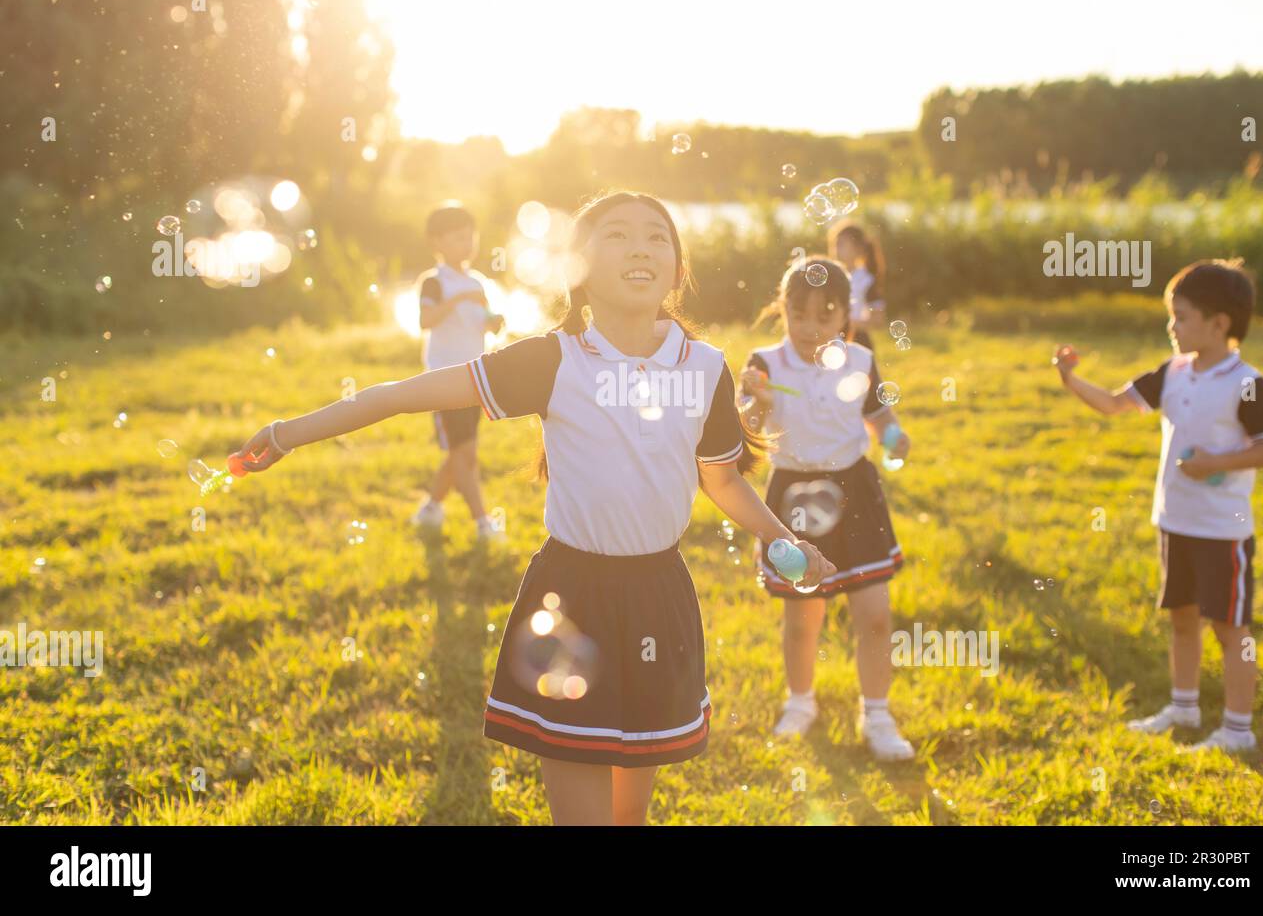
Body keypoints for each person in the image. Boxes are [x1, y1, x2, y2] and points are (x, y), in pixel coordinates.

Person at [232, 191, 835, 824]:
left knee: (631, 817)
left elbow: (723, 481)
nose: (639, 247)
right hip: (570, 599)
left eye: (657, 237)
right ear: (577, 268)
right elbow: (401, 394)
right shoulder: (552, 359)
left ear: (679, 270)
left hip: (661, 596)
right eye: (617, 235)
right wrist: (285, 433)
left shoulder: (705, 366)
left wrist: (778, 538)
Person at [1054, 259, 1263, 752]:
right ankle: (1183, 707)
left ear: (1219, 324)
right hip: (1175, 522)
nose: (1171, 326)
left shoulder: (1245, 380)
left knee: (1230, 630)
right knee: (1181, 616)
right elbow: (1117, 404)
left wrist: (1217, 461)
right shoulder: (1173, 373)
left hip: (1223, 531)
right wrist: (1072, 380)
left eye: (1180, 316)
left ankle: (1238, 730)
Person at [739, 255, 915, 760]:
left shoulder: (860, 360)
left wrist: (895, 438)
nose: (810, 328)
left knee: (875, 615)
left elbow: (880, 417)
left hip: (855, 491)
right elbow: (746, 426)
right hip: (793, 493)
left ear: (845, 317)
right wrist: (757, 401)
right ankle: (800, 703)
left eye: (825, 315)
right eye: (799, 315)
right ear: (782, 311)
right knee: (802, 617)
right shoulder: (766, 363)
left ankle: (877, 715)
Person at [411, 202, 504, 540]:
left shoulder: (478, 282)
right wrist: (459, 299)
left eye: (470, 237)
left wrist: (495, 322)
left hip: (474, 378)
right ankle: (483, 524)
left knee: (463, 453)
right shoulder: (434, 283)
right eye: (457, 238)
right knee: (464, 455)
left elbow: (486, 325)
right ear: (437, 243)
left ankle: (430, 509)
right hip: (442, 379)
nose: (466, 244)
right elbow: (425, 321)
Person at [829, 220, 887, 351]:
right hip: (831, 339)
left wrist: (847, 323)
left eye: (841, 244)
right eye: (834, 244)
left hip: (858, 341)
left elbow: (878, 320)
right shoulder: (831, 276)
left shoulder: (866, 280)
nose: (835, 249)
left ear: (857, 249)